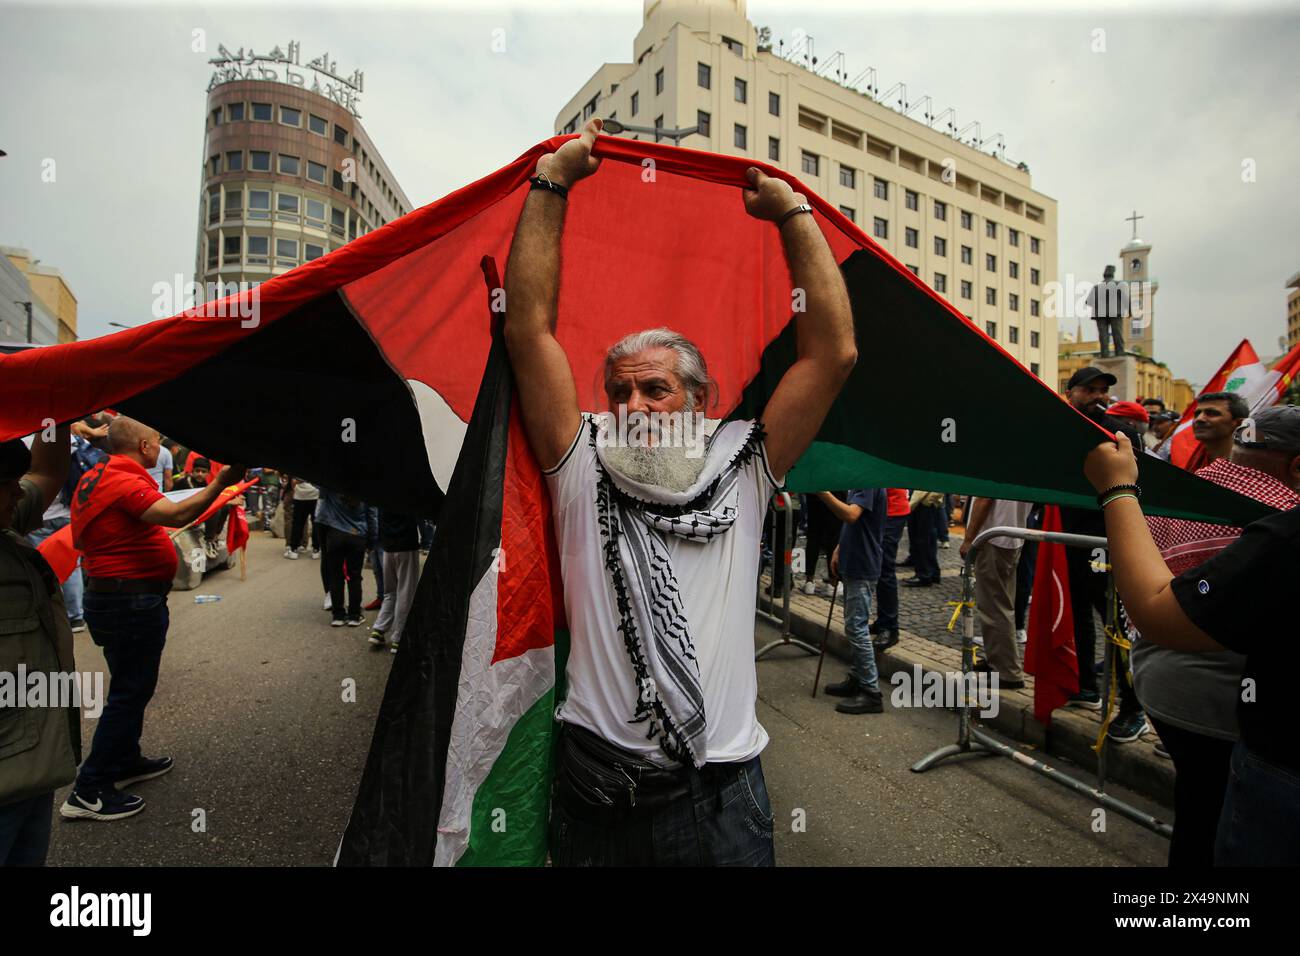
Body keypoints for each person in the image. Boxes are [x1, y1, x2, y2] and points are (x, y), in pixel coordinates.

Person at [504, 118, 855, 865]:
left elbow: (833, 352)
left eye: (655, 389)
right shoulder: (582, 456)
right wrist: (551, 182)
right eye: (619, 391)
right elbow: (529, 332)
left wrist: (793, 213)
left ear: (701, 400)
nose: (633, 406)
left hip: (721, 797)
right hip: (599, 793)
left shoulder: (745, 459)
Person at [1084, 423, 1300, 865]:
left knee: (1204, 818)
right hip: (1201, 709)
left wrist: (1118, 490)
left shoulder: (1280, 530)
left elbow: (1161, 612)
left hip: (1260, 749)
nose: (1201, 422)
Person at [62, 416, 242, 821]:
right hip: (128, 602)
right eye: (157, 440)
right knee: (128, 693)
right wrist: (219, 484)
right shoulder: (123, 479)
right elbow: (176, 516)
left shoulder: (102, 474)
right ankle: (88, 790)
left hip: (118, 598)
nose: (161, 447)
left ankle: (124, 760)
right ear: (145, 448)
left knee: (132, 688)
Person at [0, 429, 78, 864]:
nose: (17, 490)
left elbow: (46, 471)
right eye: (5, 483)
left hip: (33, 764)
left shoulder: (7, 522)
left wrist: (57, 402)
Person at [1059, 367, 1147, 741]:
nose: (1098, 396)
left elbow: (1137, 485)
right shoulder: (1057, 428)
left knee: (1113, 620)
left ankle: (1132, 706)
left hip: (1107, 542)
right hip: (1064, 537)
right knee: (1076, 615)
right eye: (1088, 389)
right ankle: (1085, 686)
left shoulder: (1122, 435)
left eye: (1102, 391)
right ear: (1070, 392)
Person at [819, 490, 887, 714]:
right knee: (854, 625)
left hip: (862, 563)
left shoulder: (868, 479)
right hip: (854, 559)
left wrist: (823, 494)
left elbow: (851, 515)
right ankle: (858, 678)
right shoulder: (860, 479)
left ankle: (871, 691)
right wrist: (840, 548)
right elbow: (854, 523)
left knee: (856, 627)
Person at [961, 497, 1032, 689]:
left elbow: (984, 498)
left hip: (994, 537)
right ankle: (997, 659)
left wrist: (969, 539)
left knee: (994, 606)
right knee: (1001, 602)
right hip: (1011, 534)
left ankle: (1007, 671)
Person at [315, 489, 375, 627]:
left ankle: (338, 615)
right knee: (354, 576)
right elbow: (372, 515)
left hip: (335, 534)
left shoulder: (332, 485)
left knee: (336, 576)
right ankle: (354, 615)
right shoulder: (366, 488)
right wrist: (372, 540)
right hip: (357, 535)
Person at [370, 508, 421, 653]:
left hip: (387, 547)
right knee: (405, 593)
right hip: (407, 545)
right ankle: (399, 637)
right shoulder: (408, 492)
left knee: (390, 592)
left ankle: (379, 629)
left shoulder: (384, 492)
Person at [870, 487, 909, 651]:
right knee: (877, 568)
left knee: (885, 568)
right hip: (877, 508)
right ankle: (883, 620)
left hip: (892, 510)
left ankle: (890, 627)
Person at [1189, 391, 1248, 469]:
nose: (1199, 419)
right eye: (1197, 414)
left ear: (1239, 423)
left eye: (1211, 413)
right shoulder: (1190, 460)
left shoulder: (1250, 466)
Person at [800, 489, 843, 596]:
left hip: (816, 489)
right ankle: (833, 584)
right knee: (834, 535)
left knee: (813, 534)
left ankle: (809, 581)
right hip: (836, 489)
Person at [1085, 264, 1130, 357]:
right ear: (1113, 274)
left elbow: (1088, 302)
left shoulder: (1096, 287)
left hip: (1100, 314)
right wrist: (1130, 311)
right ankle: (1120, 352)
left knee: (1103, 335)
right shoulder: (1119, 284)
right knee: (1117, 333)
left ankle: (1104, 354)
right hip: (1115, 312)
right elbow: (1126, 299)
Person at [903, 489, 943, 587]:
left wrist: (909, 506)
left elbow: (923, 485)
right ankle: (932, 572)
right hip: (927, 502)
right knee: (928, 540)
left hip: (923, 503)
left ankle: (924, 575)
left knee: (922, 540)